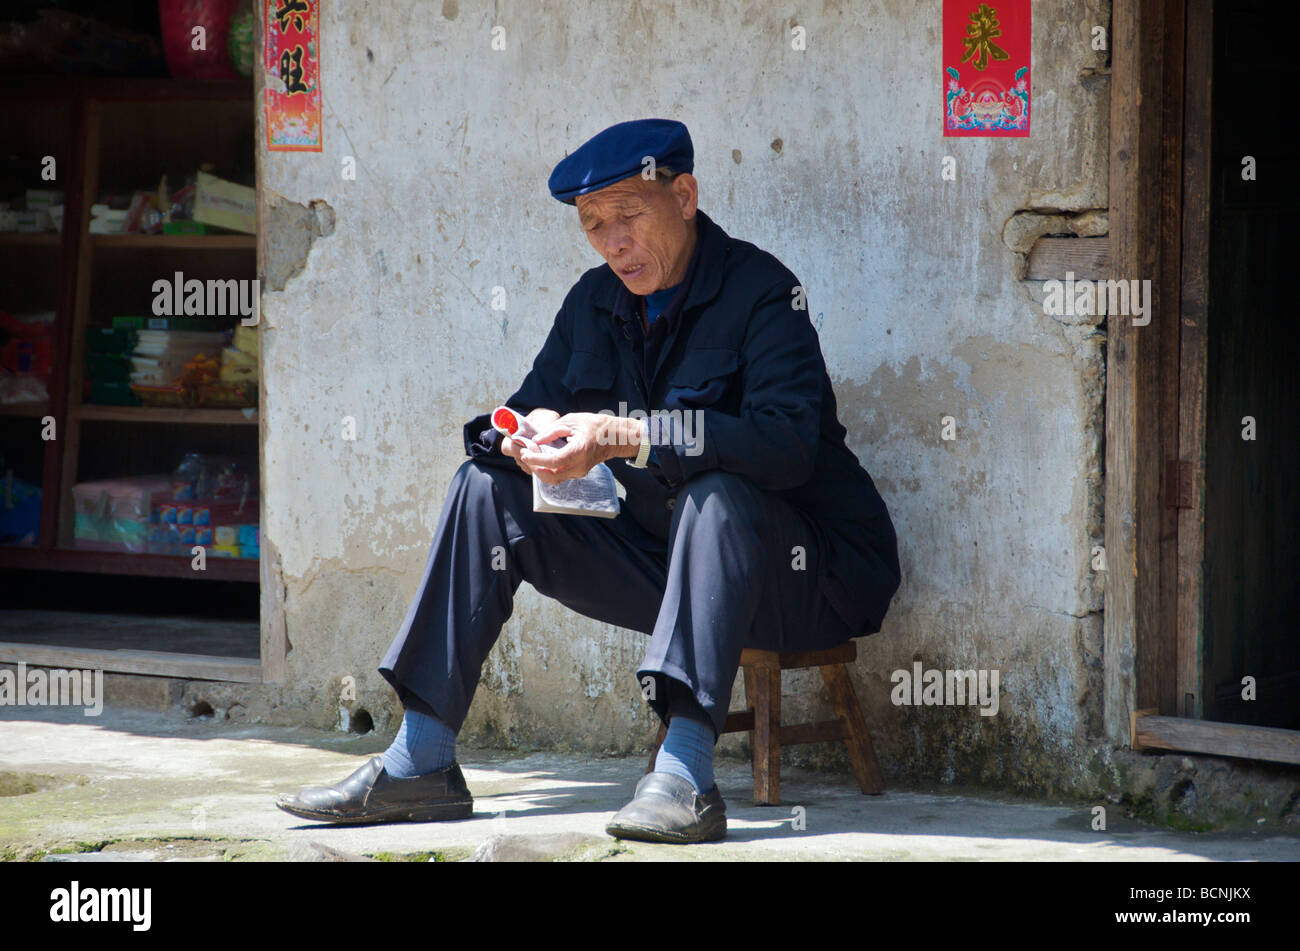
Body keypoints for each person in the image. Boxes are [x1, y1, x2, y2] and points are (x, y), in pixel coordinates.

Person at [276, 118, 900, 843]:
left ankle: (686, 773)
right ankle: (421, 759)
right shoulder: (594, 302)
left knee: (719, 492)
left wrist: (628, 436)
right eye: (593, 225)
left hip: (806, 575)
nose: (612, 243)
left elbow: (786, 445)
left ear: (686, 195)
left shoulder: (764, 294)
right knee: (485, 488)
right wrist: (519, 437)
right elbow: (526, 406)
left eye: (629, 217)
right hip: (672, 570)